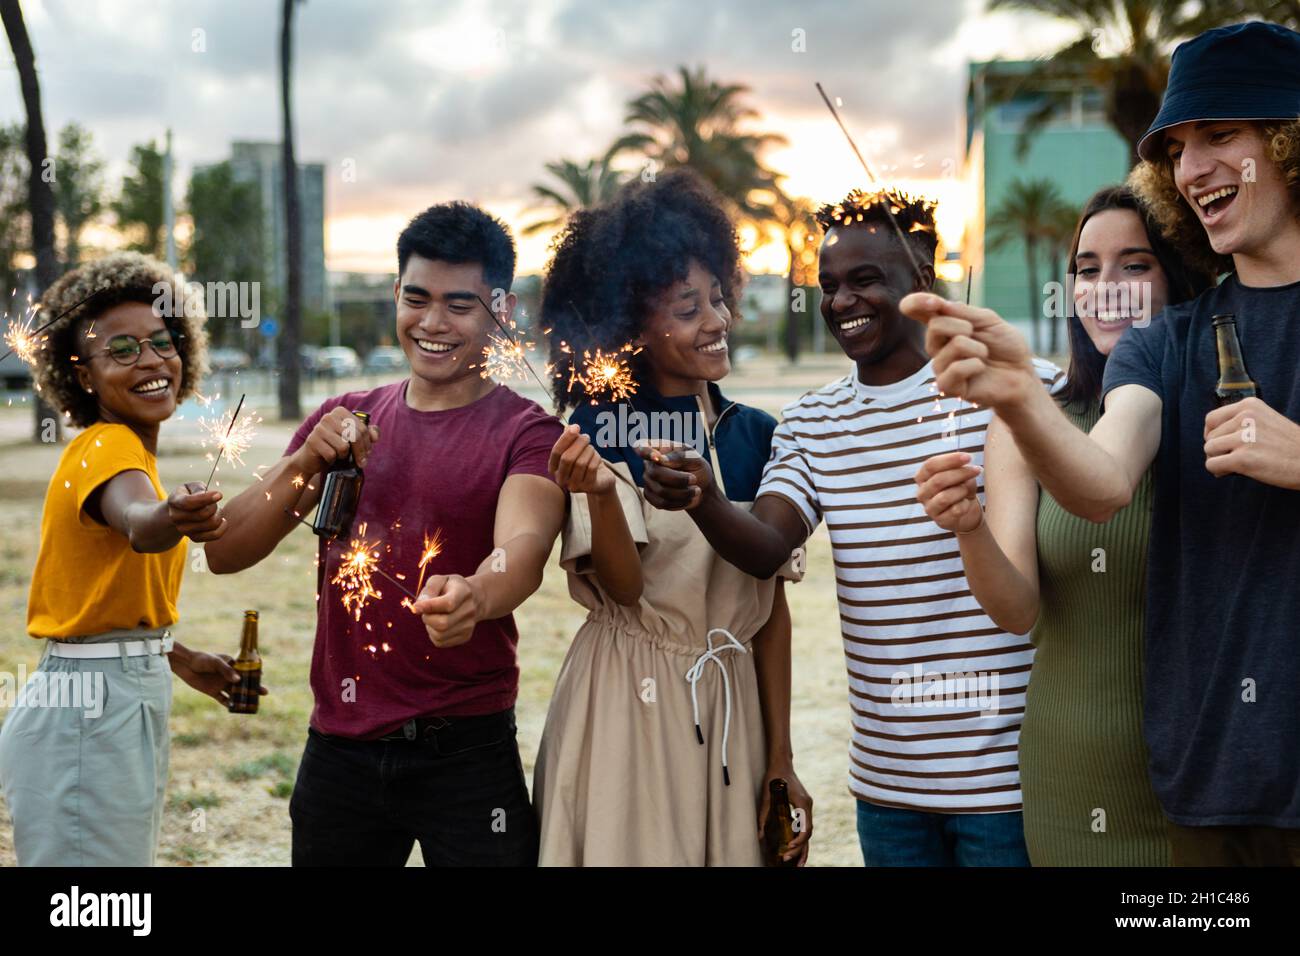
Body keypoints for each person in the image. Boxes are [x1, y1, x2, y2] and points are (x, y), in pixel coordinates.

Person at [901, 21, 1300, 866]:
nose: (1194, 167)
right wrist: (1017, 395)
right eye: (1178, 149)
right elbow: (1103, 479)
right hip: (1208, 797)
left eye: (1222, 134)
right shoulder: (1169, 343)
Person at [641, 187, 1064, 866]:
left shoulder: (1015, 389)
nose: (841, 302)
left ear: (923, 282)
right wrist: (703, 497)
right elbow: (769, 547)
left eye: (866, 280)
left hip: (1008, 785)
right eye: (828, 285)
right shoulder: (813, 423)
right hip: (887, 790)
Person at [205, 202, 566, 866]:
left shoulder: (527, 432)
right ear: (395, 295)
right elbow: (226, 551)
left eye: (460, 305)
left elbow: (524, 551)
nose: (432, 324)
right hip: (340, 748)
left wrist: (476, 596)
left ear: (501, 309)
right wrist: (306, 459)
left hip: (468, 749)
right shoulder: (343, 420)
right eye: (416, 298)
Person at [914, 186, 1214, 865]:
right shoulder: (1031, 421)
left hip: (1203, 784)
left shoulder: (1217, 414)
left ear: (1179, 275)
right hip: (1070, 783)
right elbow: (1016, 609)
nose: (1105, 288)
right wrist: (968, 526)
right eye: (1086, 268)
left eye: (1135, 265)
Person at [532, 169, 813, 866]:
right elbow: (624, 590)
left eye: (717, 297)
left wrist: (780, 758)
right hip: (625, 704)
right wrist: (600, 491)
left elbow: (770, 610)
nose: (716, 321)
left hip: (731, 709)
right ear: (630, 329)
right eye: (687, 308)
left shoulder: (756, 435)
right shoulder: (597, 431)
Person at [0, 252, 256, 866]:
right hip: (94, 709)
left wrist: (181, 656)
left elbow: (104, 600)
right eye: (121, 349)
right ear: (82, 375)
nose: (149, 360)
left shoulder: (124, 453)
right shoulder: (107, 446)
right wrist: (173, 516)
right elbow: (141, 524)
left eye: (162, 342)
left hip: (107, 697)